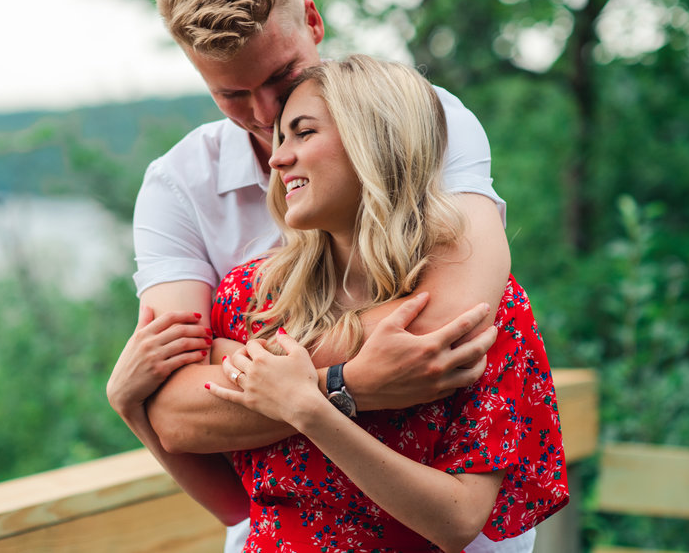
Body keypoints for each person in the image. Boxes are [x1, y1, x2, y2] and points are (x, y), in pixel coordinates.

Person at [105, 0, 529, 551]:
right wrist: (345, 385)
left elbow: (450, 323)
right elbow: (176, 411)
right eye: (230, 95)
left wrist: (244, 360)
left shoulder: (425, 121)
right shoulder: (178, 190)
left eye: (283, 78)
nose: (265, 115)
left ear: (312, 20)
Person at [202, 54, 568, 552]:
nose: (276, 158)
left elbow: (458, 519)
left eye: (303, 133)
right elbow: (203, 447)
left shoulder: (487, 309)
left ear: (375, 140)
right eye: (281, 137)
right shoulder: (251, 298)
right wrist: (132, 407)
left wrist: (312, 408)